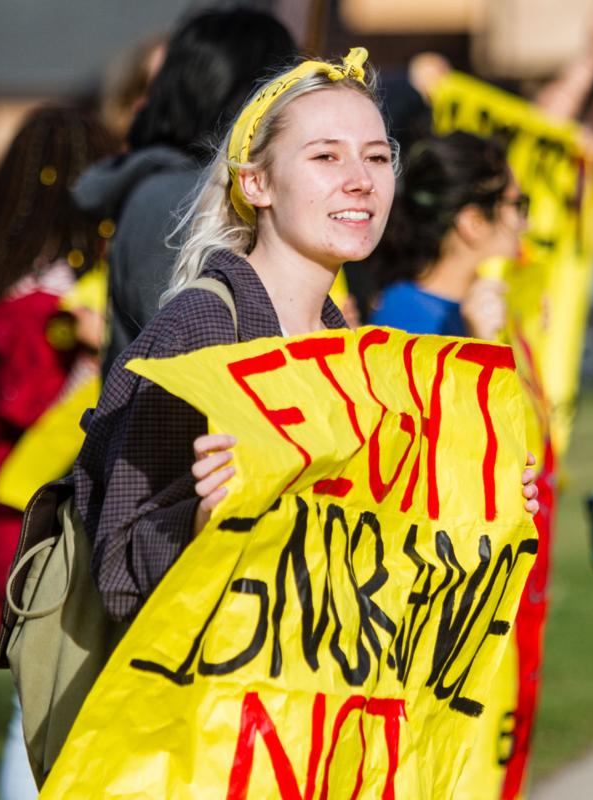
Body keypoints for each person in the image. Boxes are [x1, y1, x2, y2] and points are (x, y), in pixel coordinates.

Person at [73, 48, 540, 625]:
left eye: (376, 157)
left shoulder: (347, 346)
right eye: (326, 156)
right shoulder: (201, 329)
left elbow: (366, 554)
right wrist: (201, 517)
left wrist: (477, 505)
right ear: (257, 183)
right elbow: (118, 569)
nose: (360, 181)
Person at [0, 105, 116, 800]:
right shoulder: (43, 306)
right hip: (32, 516)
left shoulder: (7, 281)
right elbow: (25, 408)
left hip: (11, 513)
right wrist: (86, 348)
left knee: (48, 699)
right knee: (45, 701)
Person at [71, 8, 297, 378]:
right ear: (253, 95)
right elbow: (187, 351)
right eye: (284, 88)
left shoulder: (168, 187)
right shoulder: (179, 199)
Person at [368, 131, 523, 340]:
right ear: (474, 222)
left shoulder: (486, 313)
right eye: (518, 205)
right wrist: (483, 346)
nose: (526, 224)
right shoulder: (405, 322)